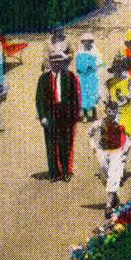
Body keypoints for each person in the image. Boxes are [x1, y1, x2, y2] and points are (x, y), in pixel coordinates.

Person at [36, 47, 82, 181]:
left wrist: (74, 115)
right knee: (51, 144)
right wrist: (42, 116)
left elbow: (76, 97)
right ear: (49, 63)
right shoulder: (43, 78)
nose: (56, 63)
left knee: (65, 143)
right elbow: (39, 99)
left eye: (59, 61)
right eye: (53, 61)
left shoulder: (70, 77)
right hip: (50, 114)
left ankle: (66, 171)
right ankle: (54, 172)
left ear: (63, 62)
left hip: (66, 114)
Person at [89, 103, 128, 217]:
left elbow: (128, 136)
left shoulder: (121, 123)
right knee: (105, 175)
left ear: (116, 112)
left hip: (116, 152)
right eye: (109, 111)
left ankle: (108, 206)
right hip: (104, 151)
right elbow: (90, 133)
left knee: (113, 175)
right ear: (106, 111)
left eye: (113, 111)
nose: (111, 113)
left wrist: (123, 150)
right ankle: (114, 197)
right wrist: (94, 147)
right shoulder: (100, 123)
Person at [104, 54, 131, 171]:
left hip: (126, 114)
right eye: (116, 68)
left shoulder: (129, 82)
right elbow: (107, 99)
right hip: (114, 116)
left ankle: (120, 167)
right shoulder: (110, 83)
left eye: (121, 68)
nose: (118, 71)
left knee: (127, 142)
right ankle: (115, 169)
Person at [75, 33, 102, 122]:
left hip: (92, 77)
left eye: (89, 42)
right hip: (83, 77)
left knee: (93, 94)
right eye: (85, 42)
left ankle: (94, 114)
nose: (87, 43)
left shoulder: (95, 52)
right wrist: (82, 68)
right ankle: (85, 115)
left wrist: (93, 66)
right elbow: (77, 65)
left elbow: (100, 63)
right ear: (83, 42)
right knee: (84, 95)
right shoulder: (80, 52)